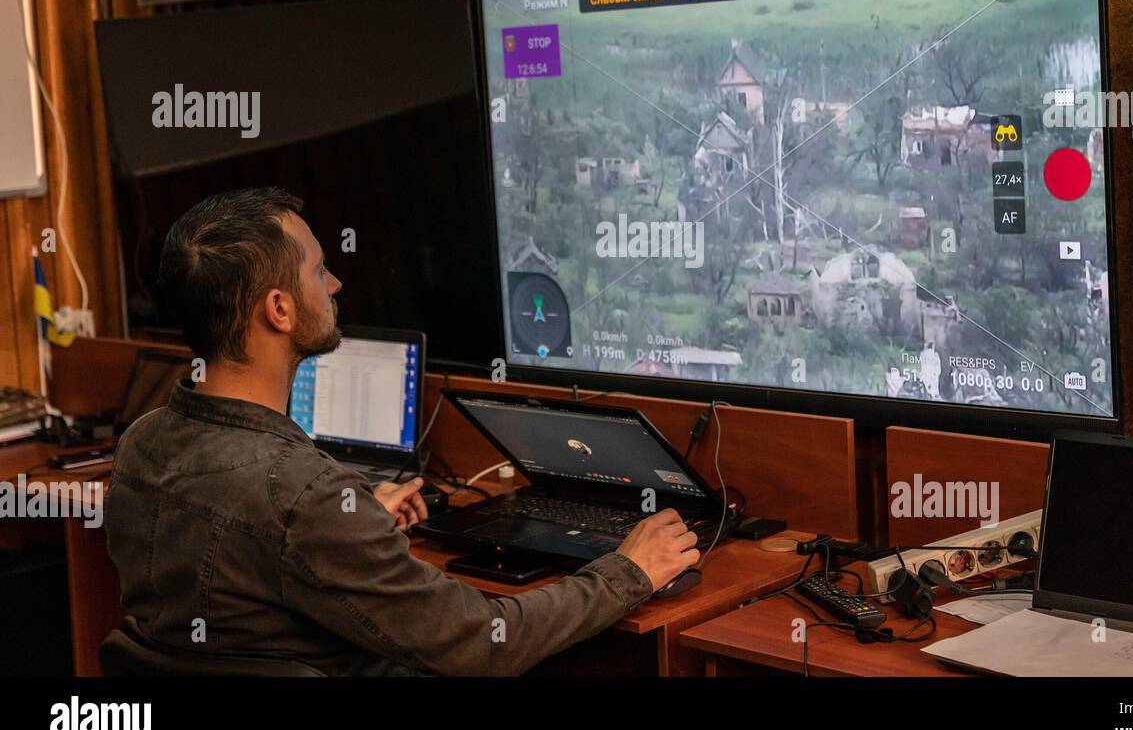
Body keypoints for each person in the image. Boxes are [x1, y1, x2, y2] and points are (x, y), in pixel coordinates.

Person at [103, 187, 699, 675]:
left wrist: (355, 528)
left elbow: (247, 568)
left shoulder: (142, 444)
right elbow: (484, 644)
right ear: (279, 310)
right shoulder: (304, 497)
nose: (335, 285)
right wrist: (629, 570)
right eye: (321, 270)